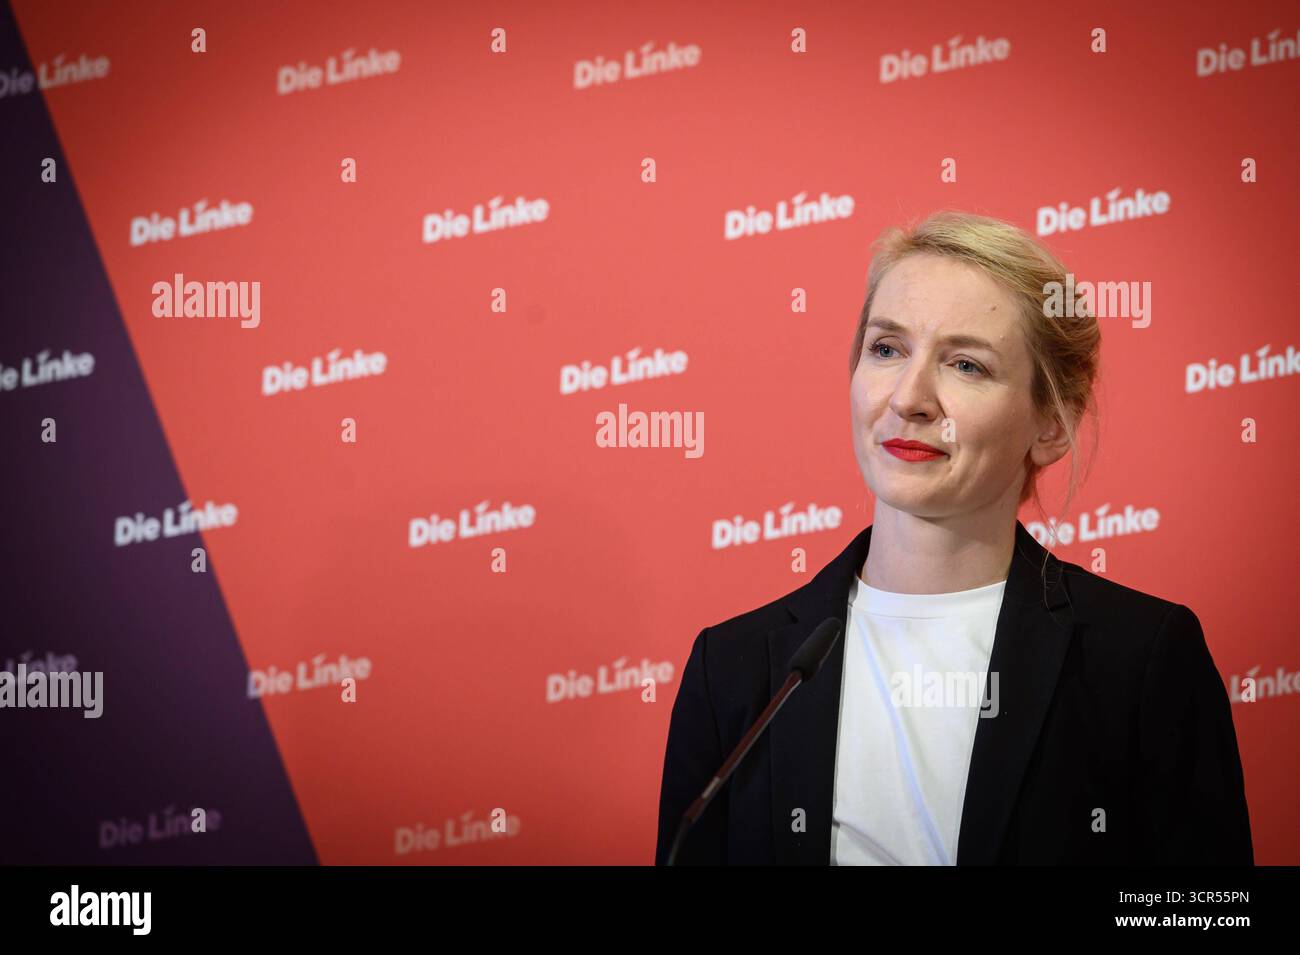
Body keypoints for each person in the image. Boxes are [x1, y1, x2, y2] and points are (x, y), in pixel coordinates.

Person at [654, 210, 1253, 865]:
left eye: (966, 364)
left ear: (1052, 424)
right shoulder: (734, 670)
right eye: (886, 349)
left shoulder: (1140, 661)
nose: (909, 397)